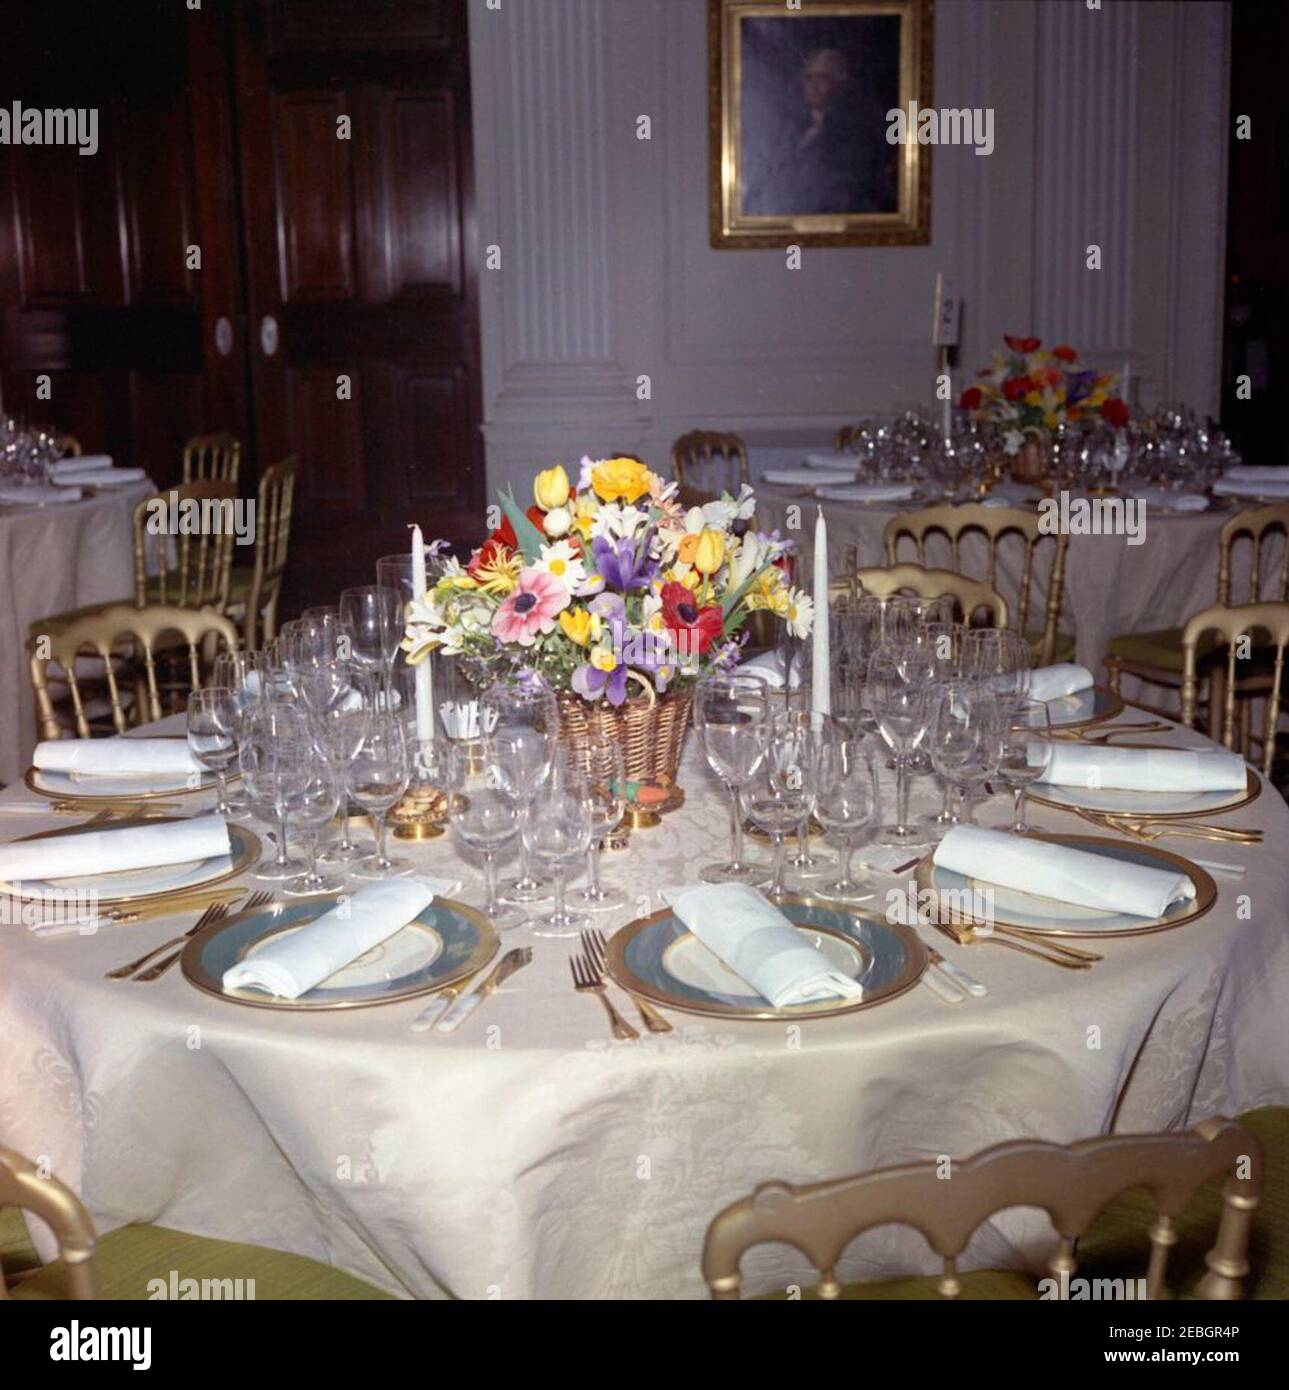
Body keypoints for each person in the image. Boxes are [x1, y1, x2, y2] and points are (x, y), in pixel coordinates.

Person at [744, 46, 897, 217]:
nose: (813, 85)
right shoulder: (788, 129)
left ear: (840, 83)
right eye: (808, 77)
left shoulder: (858, 133)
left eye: (823, 77)